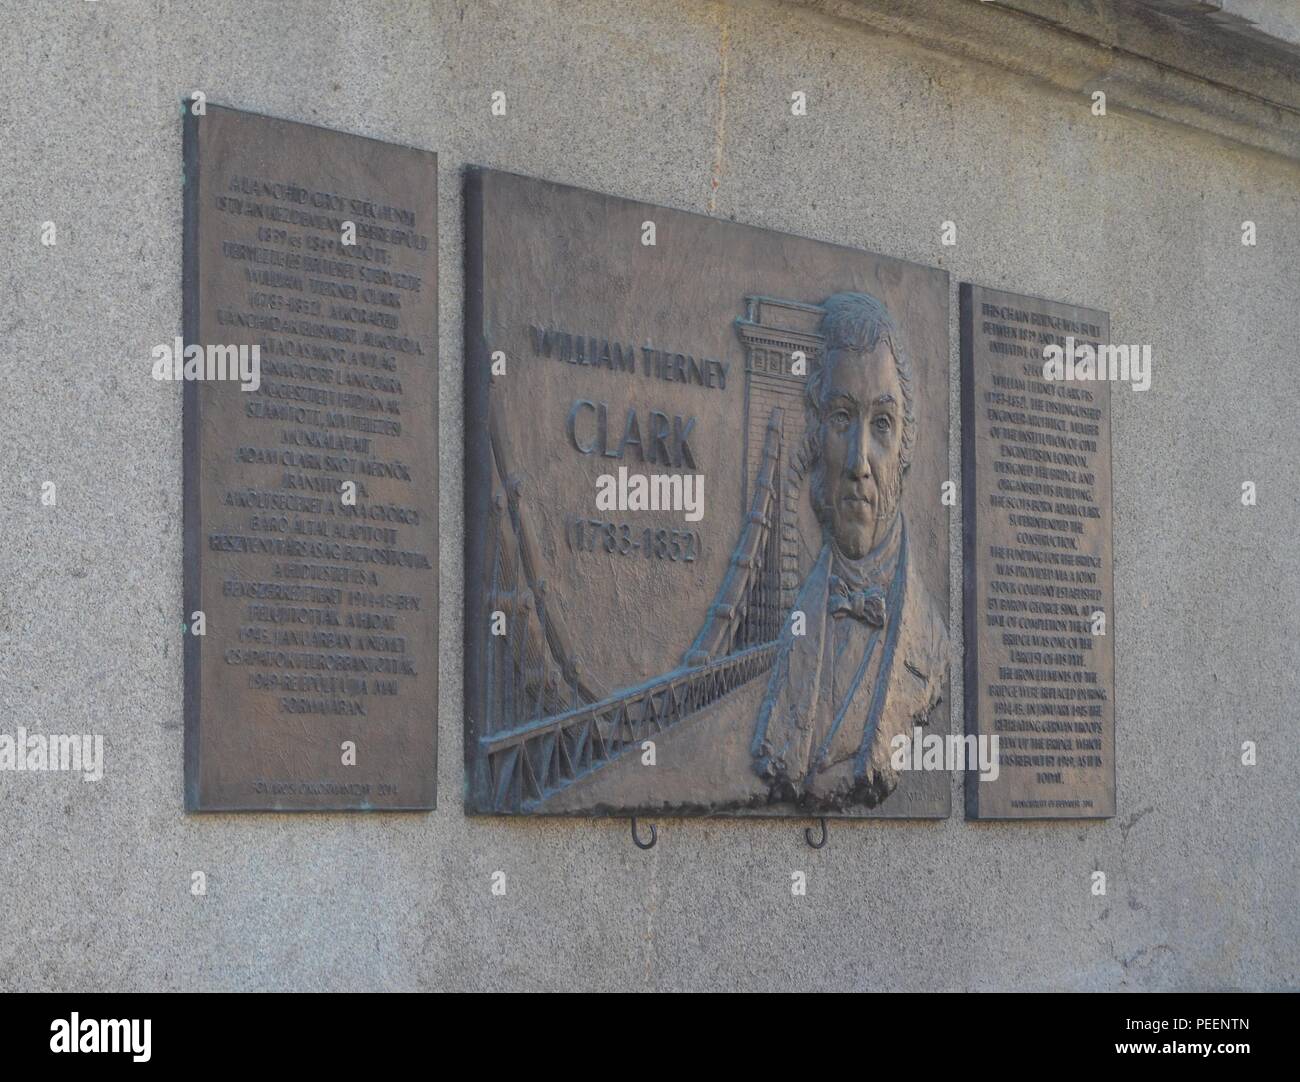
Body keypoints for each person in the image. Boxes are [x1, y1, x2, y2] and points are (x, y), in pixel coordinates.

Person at [752, 291, 948, 809]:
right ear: (818, 434)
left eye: (881, 425)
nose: (860, 460)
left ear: (905, 448)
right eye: (842, 418)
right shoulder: (795, 621)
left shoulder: (932, 643)